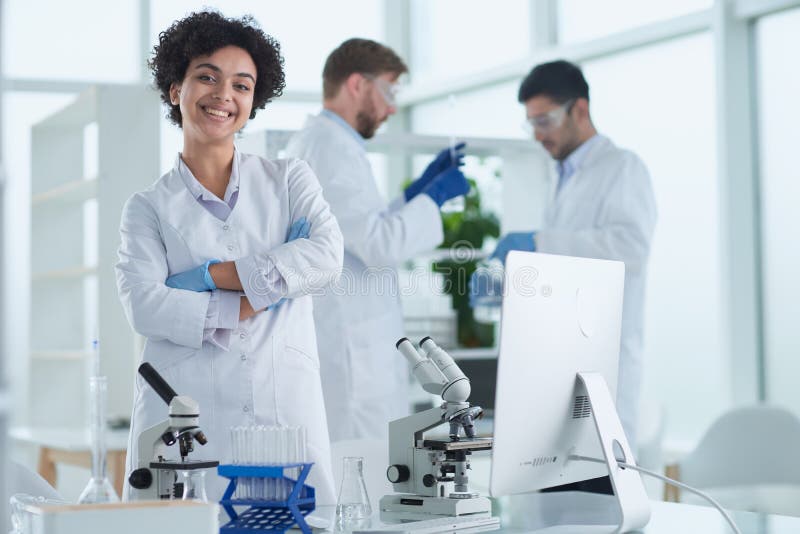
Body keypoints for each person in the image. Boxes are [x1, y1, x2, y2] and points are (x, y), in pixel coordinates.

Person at [115, 11, 343, 504]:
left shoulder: (289, 179)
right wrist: (275, 281)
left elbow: (326, 257)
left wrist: (205, 278)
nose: (224, 96)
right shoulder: (147, 208)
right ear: (175, 89)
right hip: (187, 414)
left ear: (253, 101)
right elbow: (145, 306)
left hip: (283, 408)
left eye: (242, 85)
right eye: (207, 77)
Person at [284, 38, 470, 442]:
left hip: (357, 343)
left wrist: (417, 192)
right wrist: (432, 197)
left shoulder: (330, 144)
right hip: (353, 355)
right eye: (388, 91)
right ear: (356, 84)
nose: (391, 107)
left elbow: (361, 227)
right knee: (363, 476)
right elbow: (378, 244)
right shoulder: (330, 148)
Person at [473, 59, 657, 453]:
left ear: (580, 109)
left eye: (545, 121)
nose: (538, 135)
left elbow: (630, 251)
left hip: (605, 365)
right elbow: (566, 270)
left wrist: (539, 242)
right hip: (561, 363)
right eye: (532, 124)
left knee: (602, 491)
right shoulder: (563, 176)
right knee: (557, 496)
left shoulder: (623, 168)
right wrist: (511, 285)